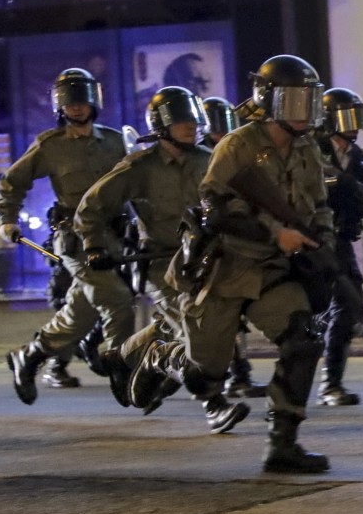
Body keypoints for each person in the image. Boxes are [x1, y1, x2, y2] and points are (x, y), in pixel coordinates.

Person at [128, 54, 333, 472]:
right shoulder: (237, 145)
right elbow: (215, 205)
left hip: (273, 271)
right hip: (224, 269)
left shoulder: (308, 148)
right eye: (293, 101)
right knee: (207, 373)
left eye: (308, 101)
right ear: (269, 100)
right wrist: (277, 232)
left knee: (303, 339)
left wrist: (323, 240)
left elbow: (319, 205)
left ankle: (283, 444)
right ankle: (163, 358)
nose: (303, 112)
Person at [75, 87, 250, 430]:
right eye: (180, 120)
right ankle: (213, 404)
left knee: (192, 324)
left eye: (192, 119)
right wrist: (94, 246)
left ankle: (124, 354)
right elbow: (91, 207)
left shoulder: (208, 160)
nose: (190, 126)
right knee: (195, 334)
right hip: (162, 266)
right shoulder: (139, 167)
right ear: (161, 124)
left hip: (206, 261)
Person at [1, 69, 129, 403]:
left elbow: (137, 186)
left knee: (82, 312)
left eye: (82, 100)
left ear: (93, 101)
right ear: (60, 105)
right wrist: (7, 219)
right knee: (117, 300)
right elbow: (12, 182)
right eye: (69, 102)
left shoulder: (115, 142)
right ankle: (123, 371)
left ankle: (29, 355)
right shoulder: (50, 146)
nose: (76, 108)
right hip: (76, 240)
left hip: (115, 237)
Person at [200, 96, 267, 399]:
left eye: (225, 124)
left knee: (234, 313)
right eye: (215, 125)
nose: (221, 131)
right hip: (202, 246)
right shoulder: (199, 156)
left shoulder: (237, 151)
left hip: (235, 241)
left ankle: (238, 374)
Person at [313, 87, 363, 406]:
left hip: (341, 241)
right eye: (346, 117)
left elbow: (362, 198)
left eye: (356, 117)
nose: (353, 125)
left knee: (351, 304)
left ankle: (331, 383)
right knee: (339, 305)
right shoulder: (311, 150)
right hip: (312, 240)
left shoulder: (356, 156)